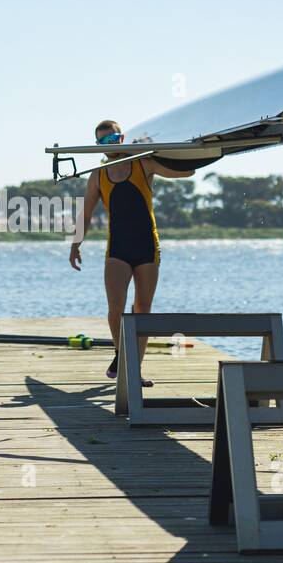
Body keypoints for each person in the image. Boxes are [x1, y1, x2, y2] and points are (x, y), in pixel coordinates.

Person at [70, 120, 194, 383]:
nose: (110, 144)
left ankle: (133, 369)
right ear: (97, 146)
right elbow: (87, 213)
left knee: (142, 309)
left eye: (113, 138)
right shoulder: (98, 174)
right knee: (115, 308)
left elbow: (185, 173)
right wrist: (75, 244)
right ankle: (120, 354)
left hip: (148, 246)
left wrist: (192, 151)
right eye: (103, 142)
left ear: (122, 137)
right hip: (118, 248)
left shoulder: (143, 163)